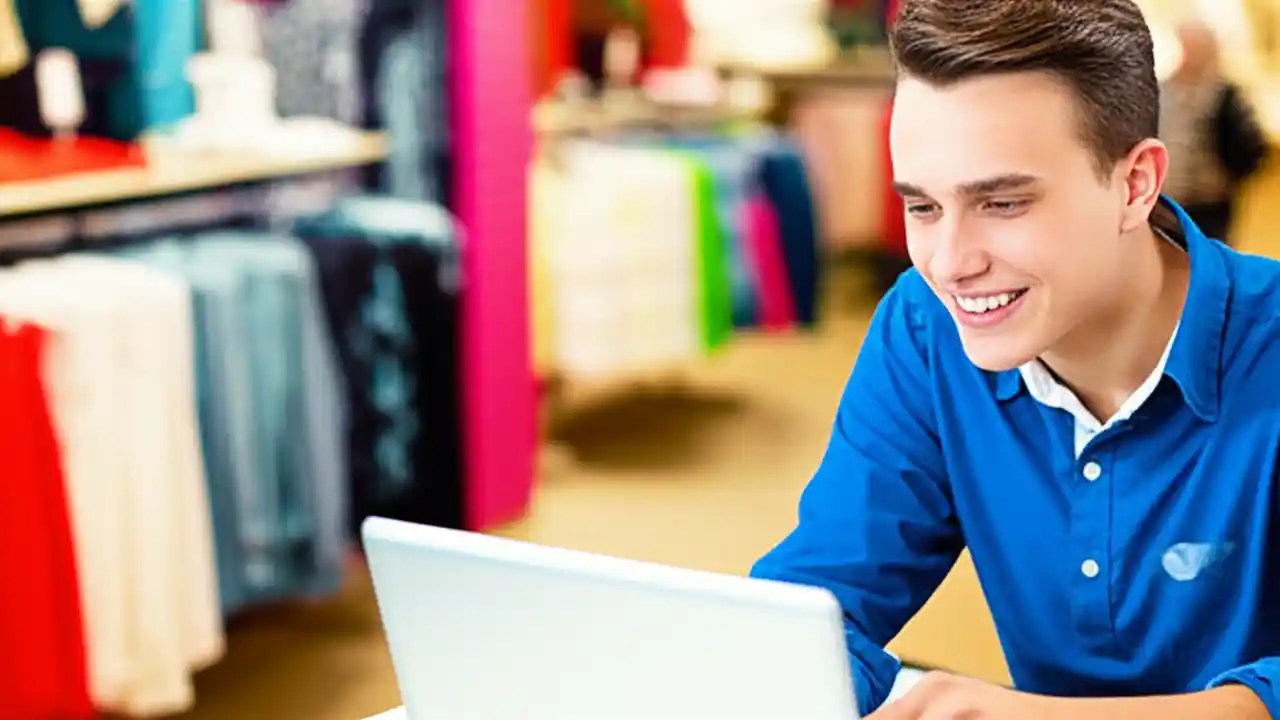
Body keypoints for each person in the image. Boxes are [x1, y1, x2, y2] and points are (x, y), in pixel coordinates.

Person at [750, 1, 1280, 718]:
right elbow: (821, 605)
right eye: (922, 208)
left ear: (1134, 185)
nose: (950, 264)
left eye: (1001, 203)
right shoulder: (925, 327)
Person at [1159, 20, 1268, 244]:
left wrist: (1229, 177)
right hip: (1168, 200)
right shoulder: (1163, 91)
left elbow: (1251, 146)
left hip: (1209, 203)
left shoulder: (1227, 95)